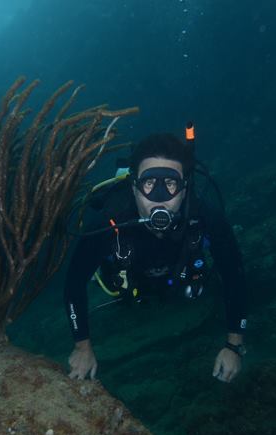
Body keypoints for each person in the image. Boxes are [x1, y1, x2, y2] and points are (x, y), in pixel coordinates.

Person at [63, 132, 247, 383]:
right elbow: (74, 282)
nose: (160, 197)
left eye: (170, 184)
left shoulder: (206, 217)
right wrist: (82, 346)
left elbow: (234, 275)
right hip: (128, 291)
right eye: (150, 183)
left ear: (184, 189)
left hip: (181, 284)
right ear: (134, 187)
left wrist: (234, 345)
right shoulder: (108, 221)